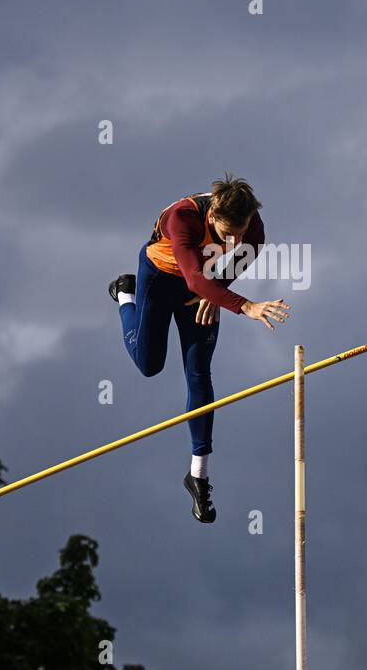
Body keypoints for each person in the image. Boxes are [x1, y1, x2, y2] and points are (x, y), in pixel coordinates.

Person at [109, 174, 291, 523]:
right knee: (149, 365)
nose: (234, 239)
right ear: (212, 216)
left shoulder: (251, 223)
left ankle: (198, 476)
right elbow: (193, 278)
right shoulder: (183, 217)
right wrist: (244, 305)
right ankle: (125, 295)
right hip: (160, 279)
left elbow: (249, 251)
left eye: (239, 232)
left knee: (199, 373)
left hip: (202, 285)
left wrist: (217, 288)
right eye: (227, 233)